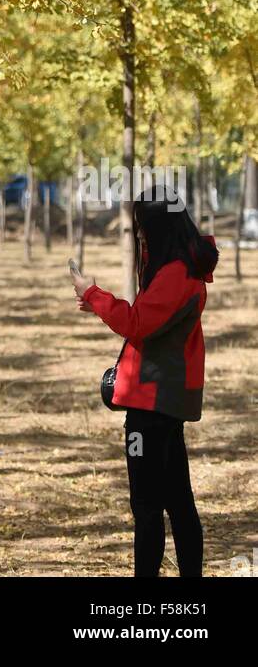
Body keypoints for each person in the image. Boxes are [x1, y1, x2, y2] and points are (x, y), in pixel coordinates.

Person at [71, 187, 218, 577]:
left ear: (157, 227)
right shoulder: (179, 267)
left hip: (152, 405)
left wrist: (94, 294)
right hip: (160, 400)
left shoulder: (175, 274)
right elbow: (148, 319)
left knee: (148, 508)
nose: (139, 238)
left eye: (141, 229)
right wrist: (97, 302)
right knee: (177, 502)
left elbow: (138, 324)